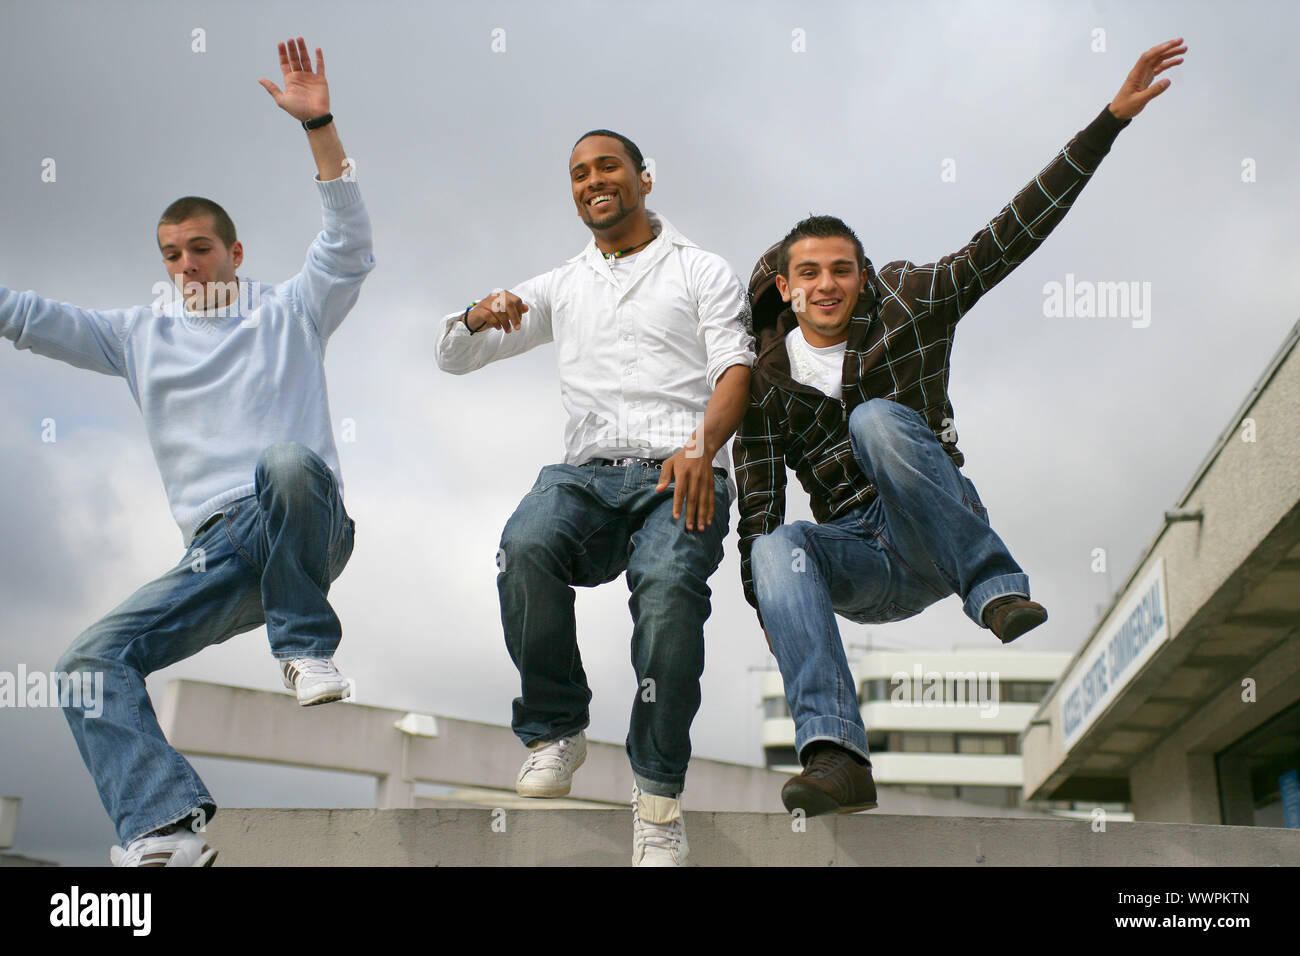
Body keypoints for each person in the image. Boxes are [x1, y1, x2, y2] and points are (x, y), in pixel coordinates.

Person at [733, 39, 1186, 817]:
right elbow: (760, 513)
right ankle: (838, 755)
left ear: (864, 274)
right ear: (786, 288)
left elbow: (1007, 236)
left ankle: (992, 586)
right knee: (775, 547)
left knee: (877, 419)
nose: (827, 286)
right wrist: (779, 611)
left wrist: (1106, 124)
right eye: (808, 274)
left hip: (931, 527)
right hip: (862, 566)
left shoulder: (911, 299)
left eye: (842, 269)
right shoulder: (762, 388)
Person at [0, 37, 375, 865]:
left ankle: (306, 647)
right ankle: (162, 829)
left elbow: (348, 246)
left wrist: (319, 125)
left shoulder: (291, 311)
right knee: (86, 661)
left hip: (301, 522)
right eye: (171, 255)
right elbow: (29, 317)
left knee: (282, 460)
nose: (185, 266)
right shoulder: (139, 334)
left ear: (236, 253)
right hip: (215, 557)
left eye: (200, 249)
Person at [435, 129, 753, 866]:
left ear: (644, 178)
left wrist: (702, 448)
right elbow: (453, 359)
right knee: (526, 544)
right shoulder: (561, 285)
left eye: (607, 166)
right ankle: (555, 729)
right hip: (585, 478)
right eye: (579, 173)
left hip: (681, 468)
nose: (592, 181)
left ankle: (657, 801)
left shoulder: (701, 269)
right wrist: (478, 316)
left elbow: (736, 371)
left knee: (671, 594)